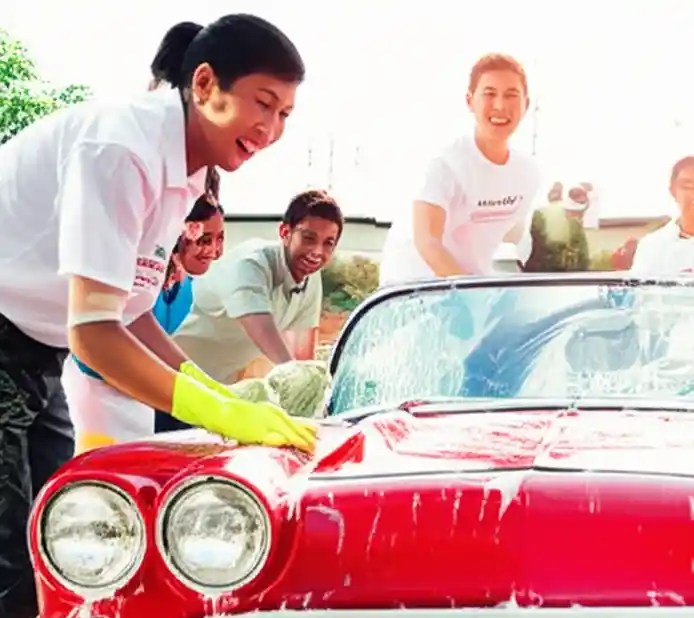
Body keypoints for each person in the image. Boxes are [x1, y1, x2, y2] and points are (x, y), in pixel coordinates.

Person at [0, 13, 316, 618]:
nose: (271, 129)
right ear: (204, 84)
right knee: (14, 564)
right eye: (263, 103)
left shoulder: (185, 172)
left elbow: (133, 308)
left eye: (286, 114)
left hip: (35, 355)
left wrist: (220, 393)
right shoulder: (123, 149)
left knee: (70, 539)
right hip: (8, 340)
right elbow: (95, 333)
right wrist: (215, 414)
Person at [63, 195, 227, 452]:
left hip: (139, 393)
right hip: (95, 386)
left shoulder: (185, 290)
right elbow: (125, 326)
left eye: (220, 239)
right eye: (204, 240)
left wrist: (203, 386)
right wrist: (198, 386)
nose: (214, 251)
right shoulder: (138, 278)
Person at [378, 53, 541, 285]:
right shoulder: (444, 164)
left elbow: (506, 239)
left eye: (511, 95)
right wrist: (470, 292)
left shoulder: (528, 174)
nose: (500, 105)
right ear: (469, 101)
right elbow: (428, 242)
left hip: (471, 286)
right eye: (489, 94)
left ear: (526, 104)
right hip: (414, 289)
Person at [173, 190, 342, 385]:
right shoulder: (250, 264)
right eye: (308, 238)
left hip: (215, 387)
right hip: (166, 376)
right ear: (285, 233)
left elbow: (303, 357)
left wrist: (310, 390)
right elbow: (263, 332)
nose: (317, 251)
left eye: (328, 243)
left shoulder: (310, 278)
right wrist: (298, 382)